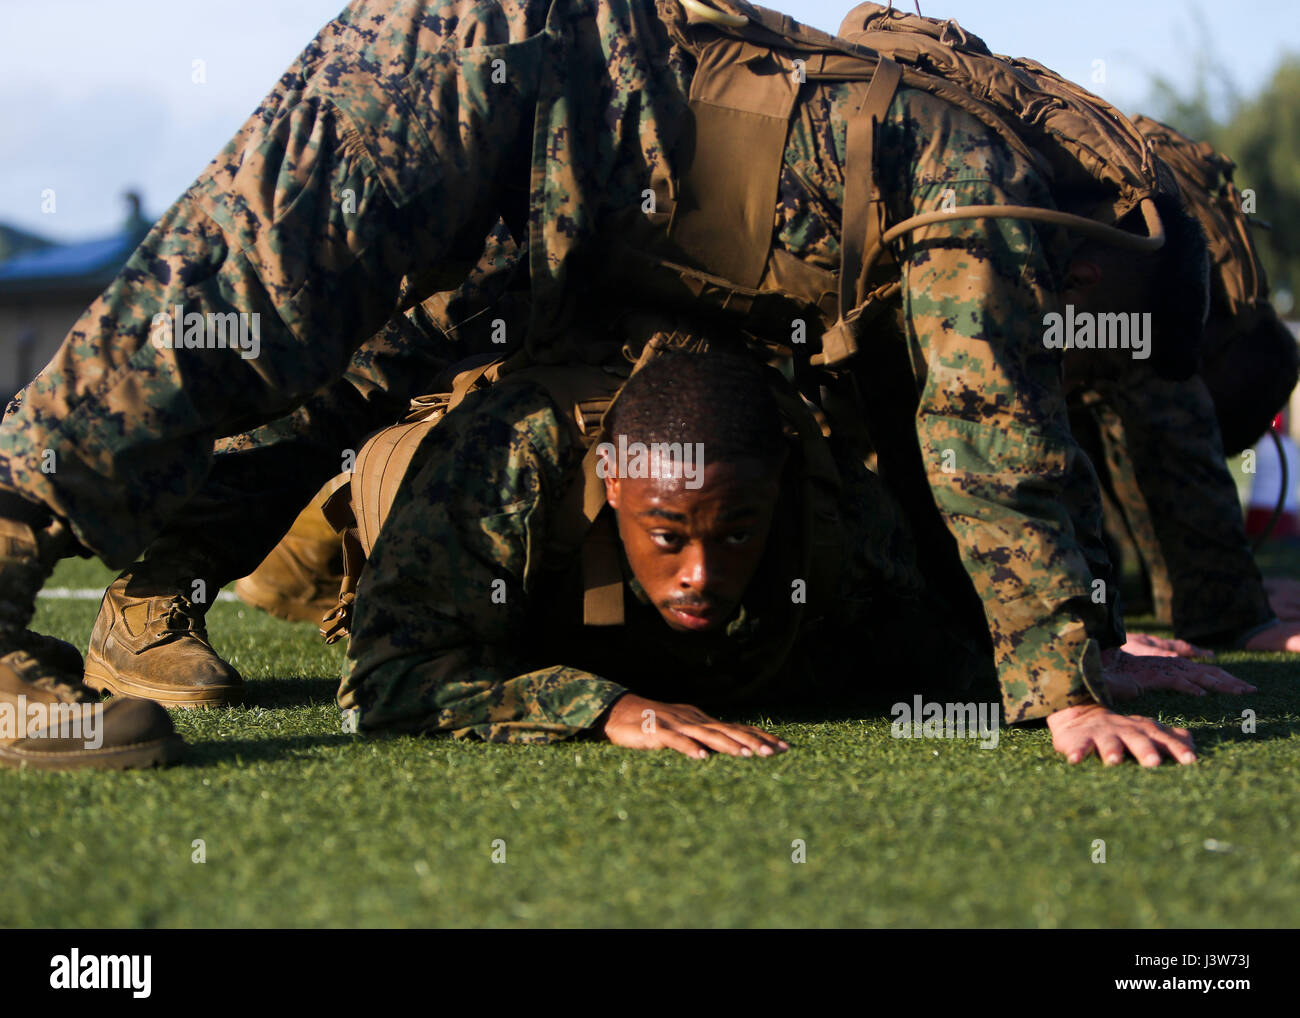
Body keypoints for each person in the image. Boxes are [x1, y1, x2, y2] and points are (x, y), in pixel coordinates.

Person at [0, 0, 1229, 767]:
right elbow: (985, 428)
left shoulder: (962, 170)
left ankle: (157, 587)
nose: (1069, 366)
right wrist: (1063, 682)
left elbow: (905, 457)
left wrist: (1081, 634)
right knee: (227, 318)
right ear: (1088, 265)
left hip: (557, 189)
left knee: (341, 377)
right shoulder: (988, 197)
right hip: (482, 64)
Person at [340, 341, 1232, 764]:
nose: (700, 573)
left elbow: (922, 643)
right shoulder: (507, 464)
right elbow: (386, 676)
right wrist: (601, 706)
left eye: (735, 533)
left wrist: (1072, 669)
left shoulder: (829, 499)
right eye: (666, 536)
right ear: (611, 483)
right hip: (418, 534)